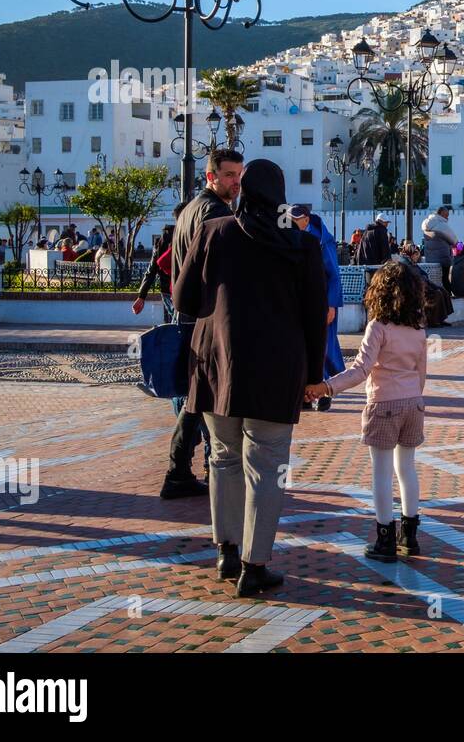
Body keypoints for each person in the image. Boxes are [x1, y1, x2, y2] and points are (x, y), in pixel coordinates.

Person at [172, 159, 327, 598]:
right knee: (266, 467)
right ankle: (253, 565)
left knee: (222, 458)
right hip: (276, 373)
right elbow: (316, 320)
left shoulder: (213, 232)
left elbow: (183, 296)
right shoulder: (301, 245)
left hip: (217, 367)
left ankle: (226, 551)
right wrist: (313, 377)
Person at [311, 262, 429, 562]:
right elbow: (421, 371)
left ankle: (385, 539)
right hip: (413, 402)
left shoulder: (378, 326)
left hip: (384, 403)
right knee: (407, 468)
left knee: (381, 472)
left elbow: (361, 370)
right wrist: (414, 396)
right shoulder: (417, 327)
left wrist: (326, 387)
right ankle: (410, 535)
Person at [163, 148, 244, 500]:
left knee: (197, 398)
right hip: (205, 317)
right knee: (206, 396)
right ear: (211, 176)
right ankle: (204, 468)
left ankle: (181, 470)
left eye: (239, 175)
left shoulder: (192, 209)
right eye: (229, 175)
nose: (236, 182)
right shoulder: (214, 212)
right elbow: (220, 271)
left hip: (190, 314)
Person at [292, 205, 344, 412]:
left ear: (305, 219)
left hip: (321, 303)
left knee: (323, 349)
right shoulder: (292, 236)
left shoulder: (322, 240)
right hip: (301, 304)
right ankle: (306, 394)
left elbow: (333, 274)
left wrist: (331, 305)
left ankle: (326, 390)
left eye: (296, 218)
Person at [132, 206, 185, 324]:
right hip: (181, 290)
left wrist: (142, 295)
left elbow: (152, 268)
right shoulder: (186, 237)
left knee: (175, 324)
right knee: (180, 326)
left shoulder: (162, 239)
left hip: (167, 290)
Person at [421, 205, 458, 293]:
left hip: (430, 259)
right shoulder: (442, 225)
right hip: (443, 259)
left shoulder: (426, 224)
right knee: (445, 280)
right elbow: (455, 240)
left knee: (433, 282)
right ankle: (448, 300)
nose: (447, 217)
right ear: (441, 213)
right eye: (446, 214)